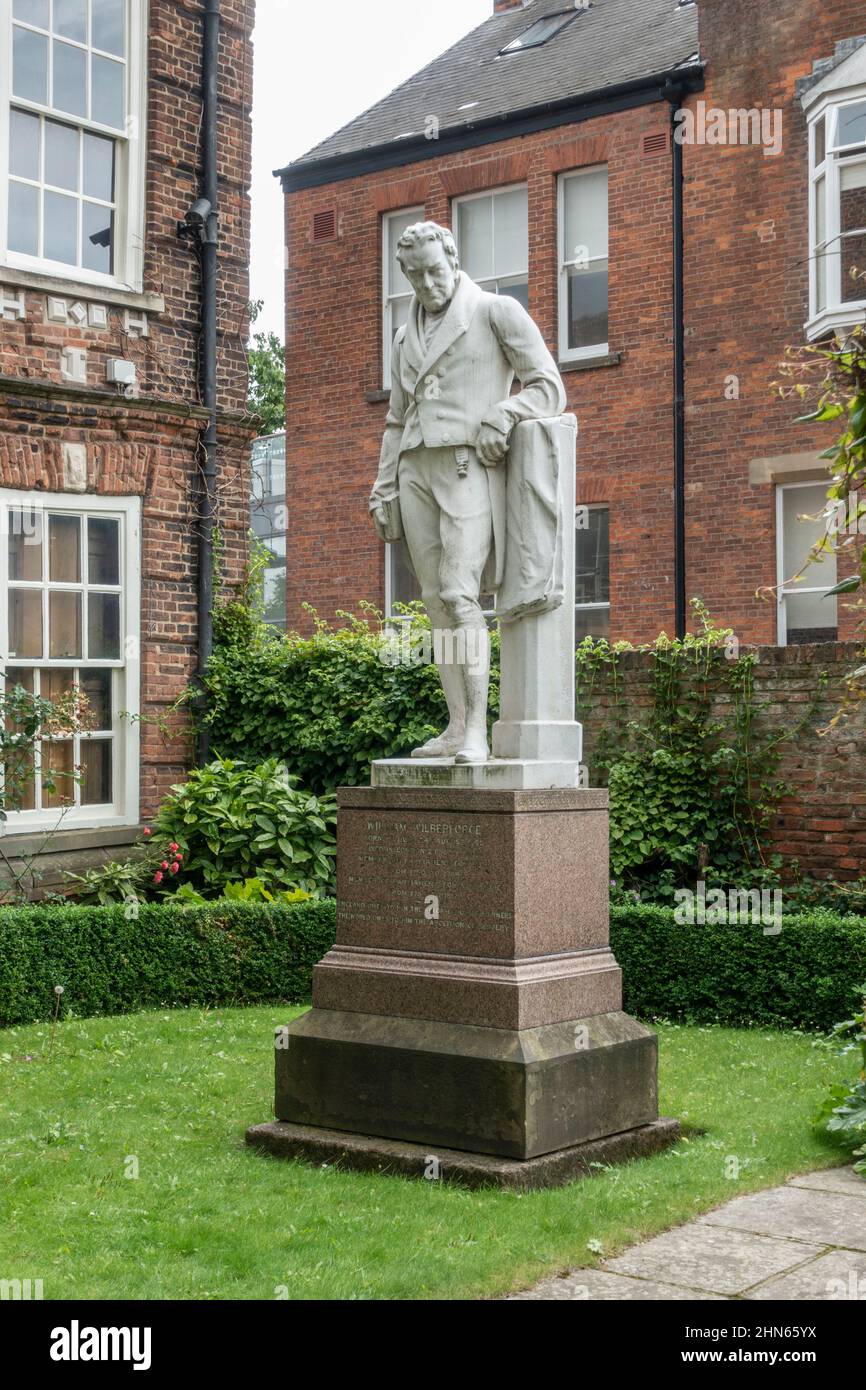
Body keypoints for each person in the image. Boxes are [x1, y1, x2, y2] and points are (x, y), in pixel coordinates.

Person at [370, 221, 565, 763]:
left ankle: (478, 729)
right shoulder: (404, 337)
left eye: (436, 270)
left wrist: (506, 411)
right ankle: (455, 725)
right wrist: (383, 485)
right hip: (415, 469)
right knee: (434, 604)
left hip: (465, 466)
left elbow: (548, 385)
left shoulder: (495, 311)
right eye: (416, 275)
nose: (429, 284)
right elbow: (395, 418)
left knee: (460, 595)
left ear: (452, 261)